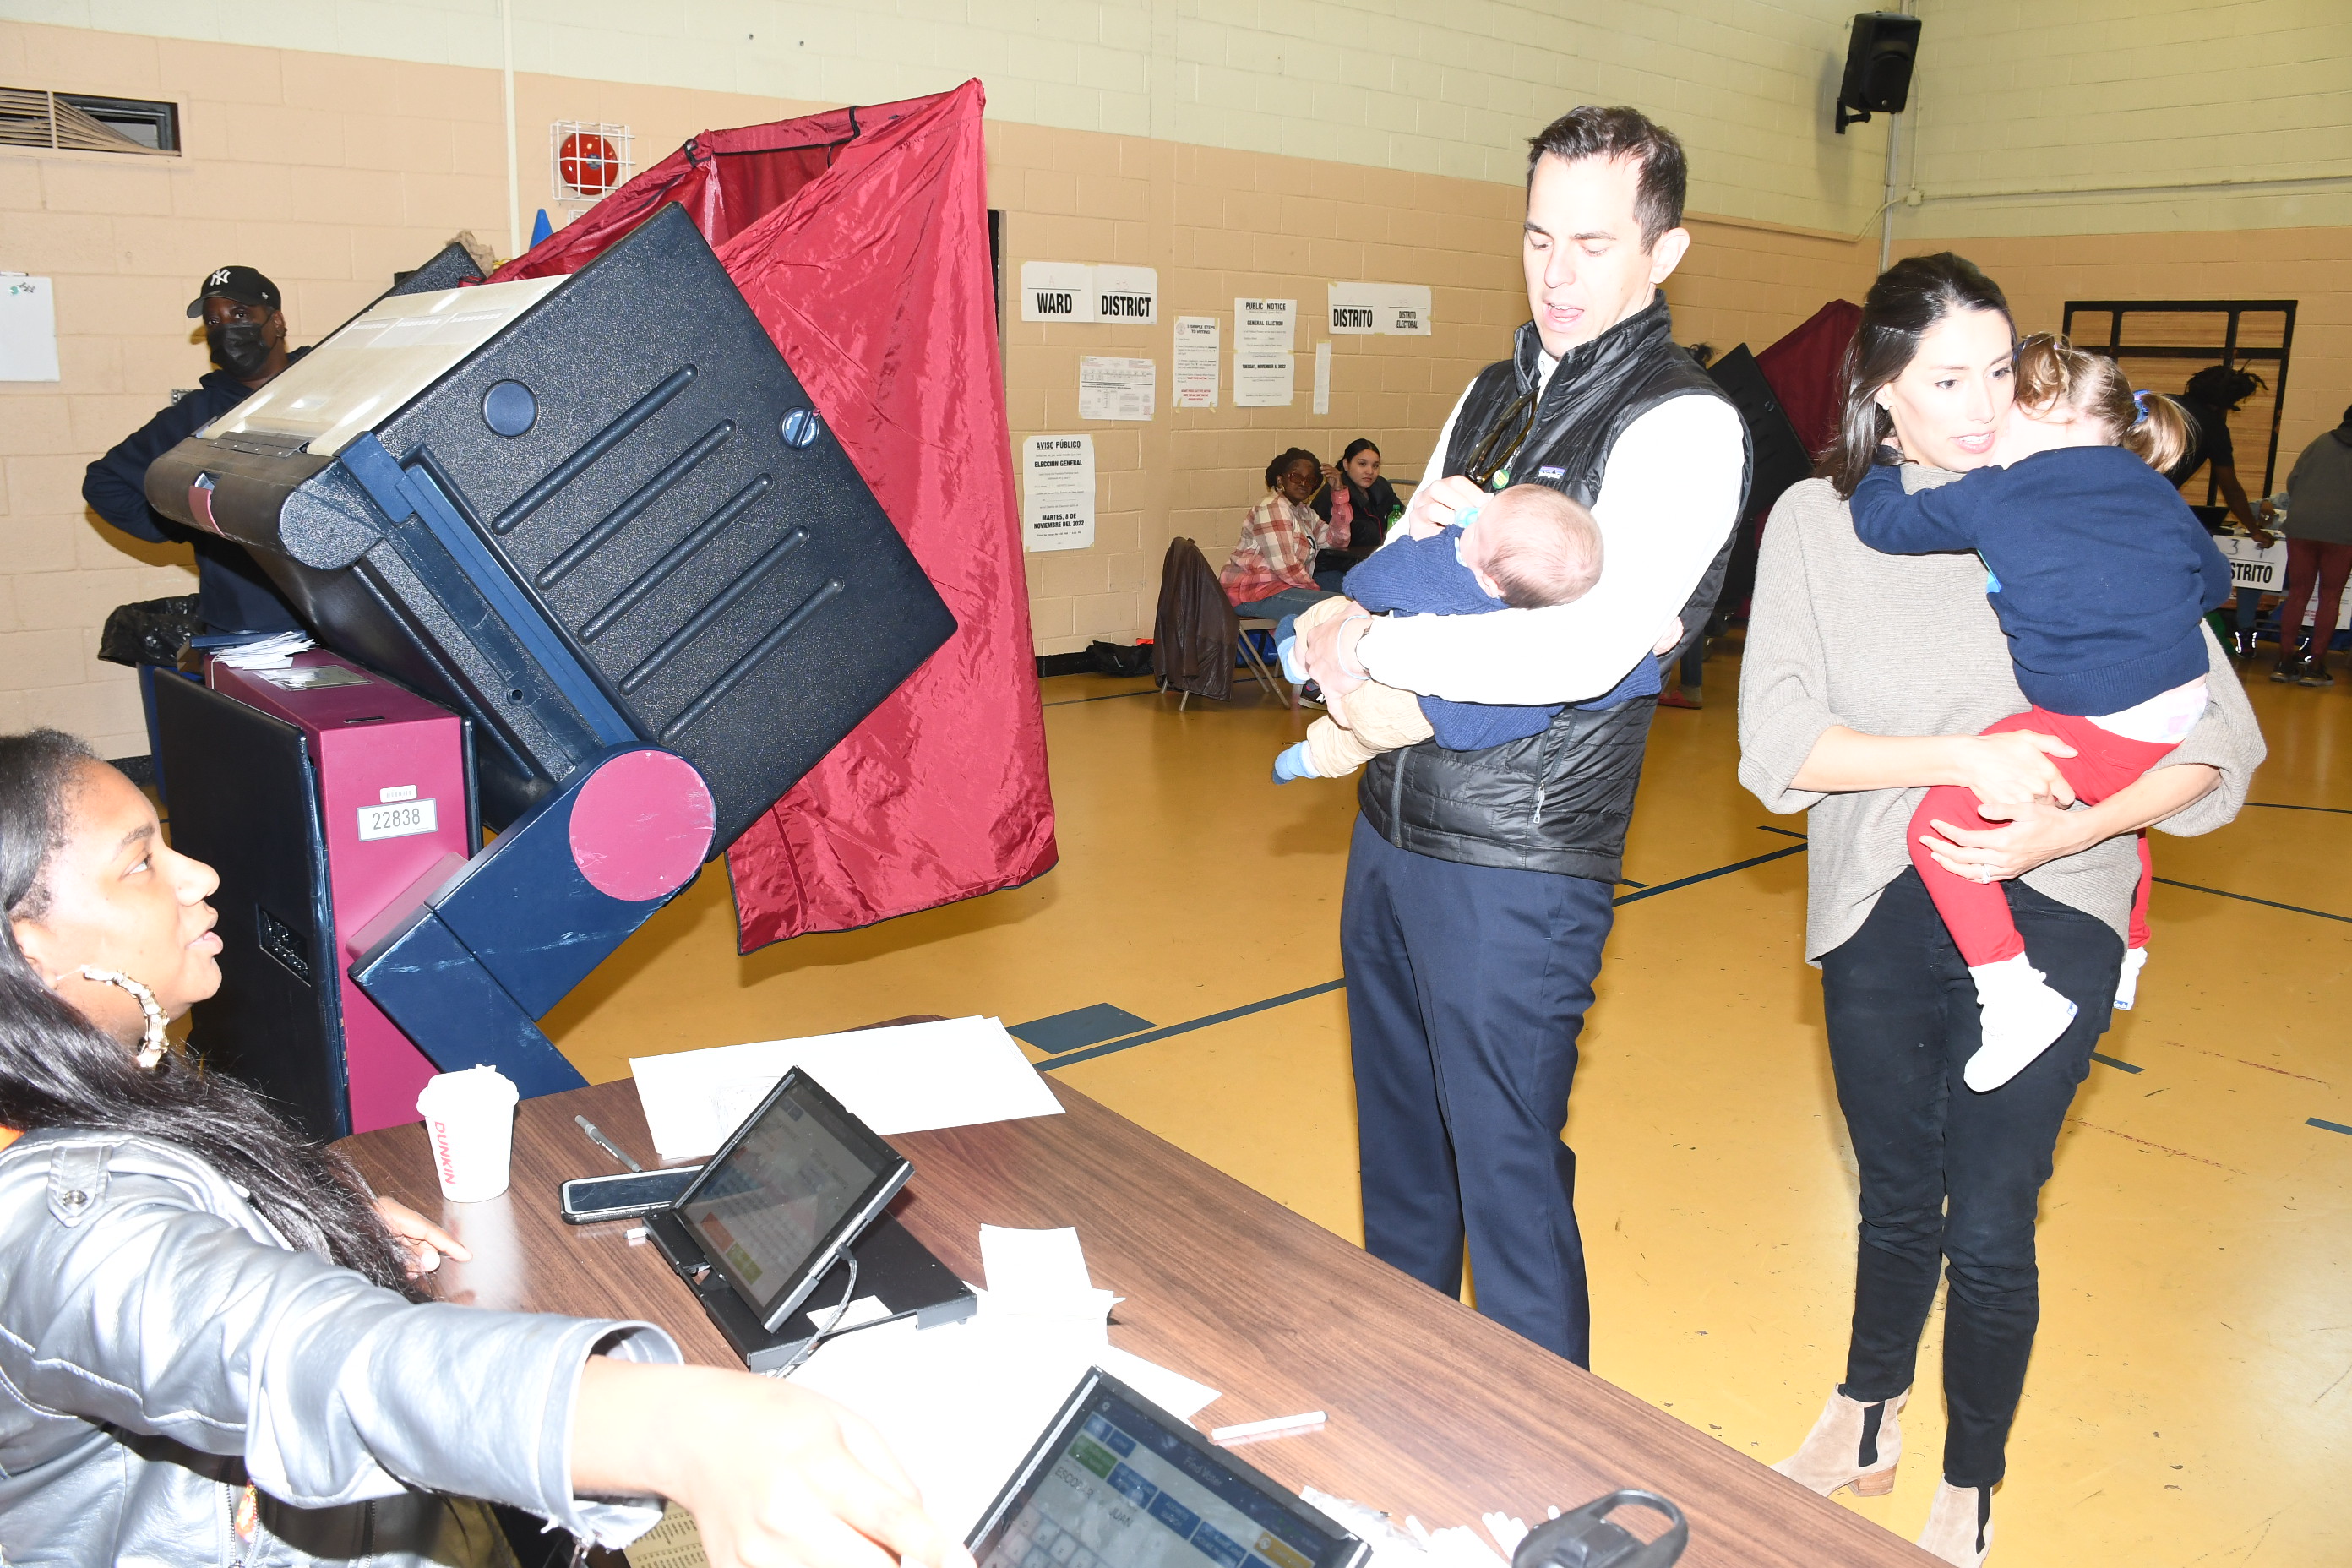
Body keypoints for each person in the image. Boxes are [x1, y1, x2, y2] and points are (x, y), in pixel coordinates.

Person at [0, 730, 970, 1568]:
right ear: (29, 944)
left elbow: (176, 1241)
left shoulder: (69, 1099)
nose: (197, 876)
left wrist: (292, 1216)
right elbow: (317, 1357)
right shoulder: (54, 1220)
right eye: (140, 862)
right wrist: (688, 1426)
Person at [1739, 253, 2261, 1565]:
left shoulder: (2090, 496)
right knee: (1896, 1189)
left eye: (2001, 372)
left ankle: (1972, 1477)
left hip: (2057, 898)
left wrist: (2070, 826)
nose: (1984, 409)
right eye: (1949, 381)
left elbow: (2222, 747)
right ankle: (1866, 1411)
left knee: (1990, 1214)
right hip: (1876, 886)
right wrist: (1957, 760)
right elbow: (1776, 746)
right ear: (1884, 397)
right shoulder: (1817, 519)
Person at [1297, 105, 1748, 1369]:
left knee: (1506, 1181)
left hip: (1519, 865)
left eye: (1594, 243)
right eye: (1540, 236)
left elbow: (1580, 649)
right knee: (1404, 1175)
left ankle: (1554, 1487)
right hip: (1391, 828)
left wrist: (1368, 646)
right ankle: (1404, 1433)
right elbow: (1393, 561)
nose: (1557, 274)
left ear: (1664, 253)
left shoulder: (1684, 424)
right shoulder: (1495, 391)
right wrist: (1357, 597)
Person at [1848, 334, 2232, 1086]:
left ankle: (2011, 992)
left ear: (2040, 406)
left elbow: (1885, 527)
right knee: (2124, 803)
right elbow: (2213, 581)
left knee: (1937, 827)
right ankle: (2132, 948)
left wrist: (1881, 468)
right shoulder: (2151, 486)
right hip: (2179, 707)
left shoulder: (2001, 490)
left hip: (2096, 714)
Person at [1272, 486, 1648, 781]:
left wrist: (1420, 543)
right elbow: (1607, 677)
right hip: (1418, 720)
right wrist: (1649, 645)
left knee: (1332, 610)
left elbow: (1367, 583)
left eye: (1478, 525)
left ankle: (1295, 658)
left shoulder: (1446, 570)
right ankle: (1309, 758)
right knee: (1357, 739)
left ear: (1486, 578)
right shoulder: (1550, 631)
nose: (1468, 522)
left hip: (1384, 685)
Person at [81, 265, 309, 635]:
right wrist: (185, 522)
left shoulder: (333, 387)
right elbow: (104, 482)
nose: (227, 329)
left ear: (277, 321)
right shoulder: (195, 416)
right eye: (214, 322)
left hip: (355, 621)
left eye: (239, 314)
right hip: (248, 628)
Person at [2165, 362, 2278, 660]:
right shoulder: (2213, 427)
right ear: (2226, 403)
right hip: (2151, 501)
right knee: (2208, 578)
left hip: (2105, 488)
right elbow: (2230, 487)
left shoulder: (2161, 403)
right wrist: (2254, 529)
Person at [2265, 403, 2352, 687]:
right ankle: (2315, 667)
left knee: (2298, 594)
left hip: (2301, 526)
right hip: (2342, 530)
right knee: (2330, 597)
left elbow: (2293, 481)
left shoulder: (2320, 441)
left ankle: (2284, 663)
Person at [1220, 448, 1339, 622]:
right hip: (1252, 593)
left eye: (1310, 480)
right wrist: (1315, 592)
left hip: (1280, 588)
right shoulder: (1273, 506)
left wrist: (1338, 493)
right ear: (1280, 479)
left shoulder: (1303, 512)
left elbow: (1337, 540)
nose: (1303, 484)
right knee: (1336, 608)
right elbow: (1286, 566)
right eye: (1296, 477)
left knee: (1343, 597)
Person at [1310, 439, 1404, 586]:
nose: (1370, 471)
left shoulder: (1381, 487)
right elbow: (1331, 544)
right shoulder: (1333, 493)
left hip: (1371, 564)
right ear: (1346, 464)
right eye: (1362, 464)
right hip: (1333, 568)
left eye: (1375, 466)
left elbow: (1403, 516)